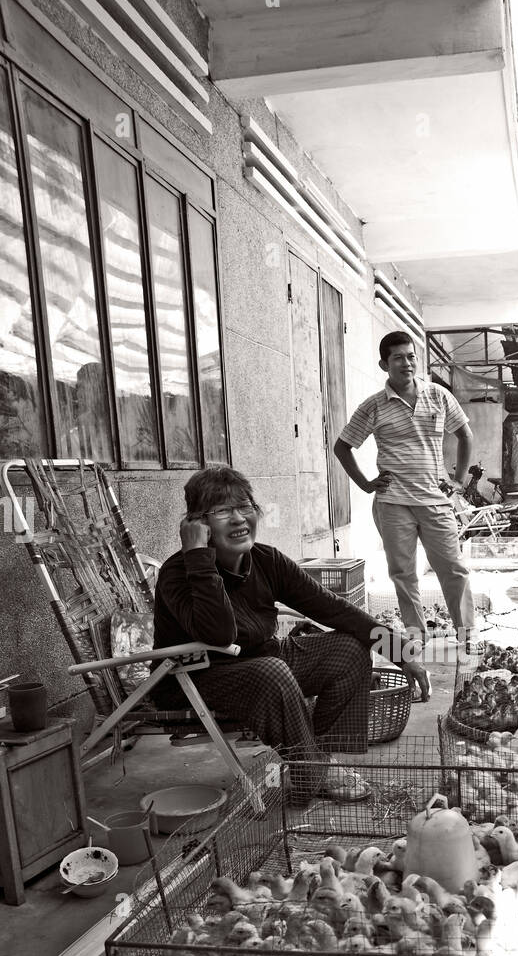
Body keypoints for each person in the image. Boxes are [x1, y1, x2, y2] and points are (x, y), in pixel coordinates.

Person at [152, 467, 429, 793]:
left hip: (262, 661)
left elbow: (334, 609)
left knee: (349, 650)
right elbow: (218, 635)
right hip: (196, 676)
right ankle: (310, 771)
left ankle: (320, 761)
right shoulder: (179, 572)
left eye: (245, 507)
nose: (239, 519)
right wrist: (198, 556)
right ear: (198, 524)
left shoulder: (265, 560)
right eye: (223, 511)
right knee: (271, 671)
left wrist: (398, 650)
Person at [333, 332, 479, 674]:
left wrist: (458, 481)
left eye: (411, 356)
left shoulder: (438, 396)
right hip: (393, 503)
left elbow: (465, 435)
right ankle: (417, 637)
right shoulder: (373, 405)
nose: (407, 362)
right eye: (398, 357)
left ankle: (467, 633)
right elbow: (342, 447)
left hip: (435, 501)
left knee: (453, 568)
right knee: (403, 575)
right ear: (385, 364)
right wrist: (366, 484)